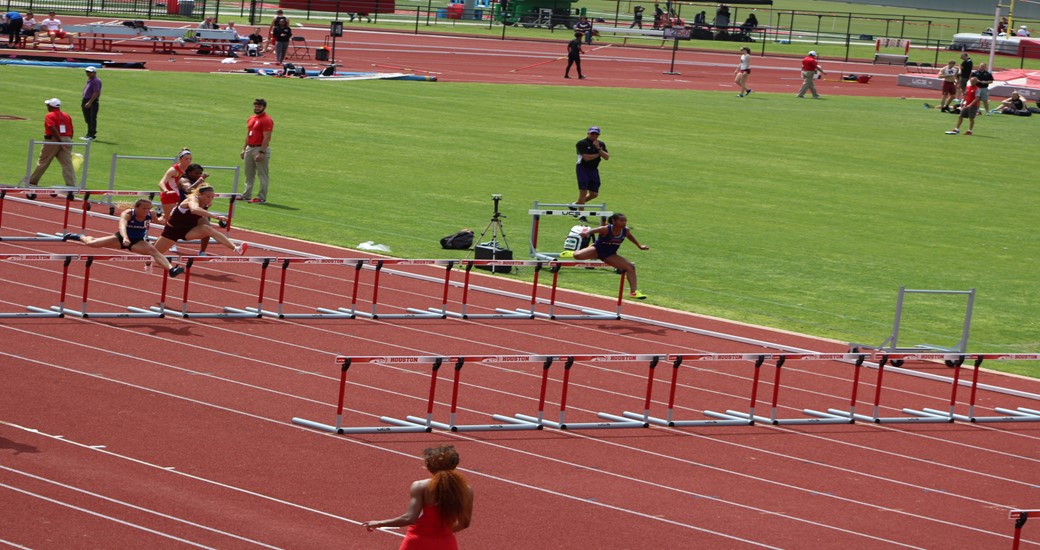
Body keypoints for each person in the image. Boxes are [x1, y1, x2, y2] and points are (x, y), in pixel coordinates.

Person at [363, 445, 474, 549]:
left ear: (429, 466)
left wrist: (378, 523)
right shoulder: (466, 490)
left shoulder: (420, 486)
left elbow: (410, 518)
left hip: (417, 541)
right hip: (446, 543)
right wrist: (442, 532)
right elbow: (464, 523)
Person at [62, 199, 185, 278]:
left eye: (149, 208)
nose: (147, 210)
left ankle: (171, 270)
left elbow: (160, 222)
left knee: (153, 251)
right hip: (120, 238)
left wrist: (167, 217)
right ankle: (81, 236)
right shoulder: (128, 213)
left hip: (138, 242)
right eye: (144, 208)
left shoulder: (150, 214)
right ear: (136, 207)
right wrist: (125, 238)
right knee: (91, 244)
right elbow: (122, 226)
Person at [560, 213, 649, 300]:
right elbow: (593, 230)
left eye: (625, 221)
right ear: (614, 221)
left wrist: (639, 246)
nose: (624, 222)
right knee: (577, 256)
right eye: (621, 220)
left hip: (610, 254)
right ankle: (571, 253)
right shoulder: (606, 229)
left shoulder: (626, 230)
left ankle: (633, 292)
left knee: (630, 267)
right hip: (596, 250)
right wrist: (586, 233)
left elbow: (630, 236)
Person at [153, 184, 248, 256]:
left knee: (207, 229)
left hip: (188, 231)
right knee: (154, 255)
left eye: (212, 197)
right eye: (208, 196)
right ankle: (148, 265)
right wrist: (216, 216)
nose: (210, 199)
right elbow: (194, 210)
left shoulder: (207, 204)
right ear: (199, 195)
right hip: (172, 231)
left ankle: (236, 248)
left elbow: (200, 216)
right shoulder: (192, 199)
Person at [28, 98, 76, 188]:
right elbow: (72, 129)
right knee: (67, 164)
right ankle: (71, 185)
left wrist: (60, 142)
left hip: (53, 140)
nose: (47, 106)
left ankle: (32, 181)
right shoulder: (66, 115)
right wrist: (67, 140)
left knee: (43, 161)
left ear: (50, 106)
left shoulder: (50, 115)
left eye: (48, 105)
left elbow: (52, 128)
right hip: (67, 139)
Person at [241, 98, 274, 204]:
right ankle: (246, 195)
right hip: (249, 148)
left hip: (259, 148)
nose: (257, 108)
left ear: (264, 107)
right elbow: (248, 134)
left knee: (262, 174)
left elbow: (267, 137)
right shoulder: (251, 118)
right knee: (248, 173)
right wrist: (244, 148)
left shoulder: (267, 120)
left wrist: (262, 152)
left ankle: (261, 197)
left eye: (259, 106)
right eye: (255, 106)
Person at [573, 126, 608, 221]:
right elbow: (586, 158)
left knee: (594, 194)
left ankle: (575, 205)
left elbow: (606, 157)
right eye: (592, 133)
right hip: (583, 169)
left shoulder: (601, 144)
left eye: (596, 134)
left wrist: (598, 149)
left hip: (594, 169)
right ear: (588, 133)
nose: (593, 135)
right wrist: (598, 154)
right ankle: (581, 215)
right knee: (583, 191)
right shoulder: (582, 143)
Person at [159, 148, 195, 221]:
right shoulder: (173, 170)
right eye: (186, 159)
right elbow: (161, 182)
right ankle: (155, 218)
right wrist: (166, 191)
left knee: (183, 219)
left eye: (190, 159)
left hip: (182, 196)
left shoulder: (190, 170)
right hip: (170, 196)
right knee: (171, 220)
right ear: (180, 159)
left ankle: (159, 218)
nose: (189, 161)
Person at [81, 66, 101, 141]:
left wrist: (90, 102)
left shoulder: (96, 81)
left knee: (91, 118)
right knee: (87, 118)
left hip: (91, 101)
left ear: (94, 72)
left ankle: (91, 135)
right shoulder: (90, 80)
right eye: (87, 71)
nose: (88, 73)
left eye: (90, 72)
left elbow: (96, 92)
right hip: (86, 99)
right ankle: (89, 134)